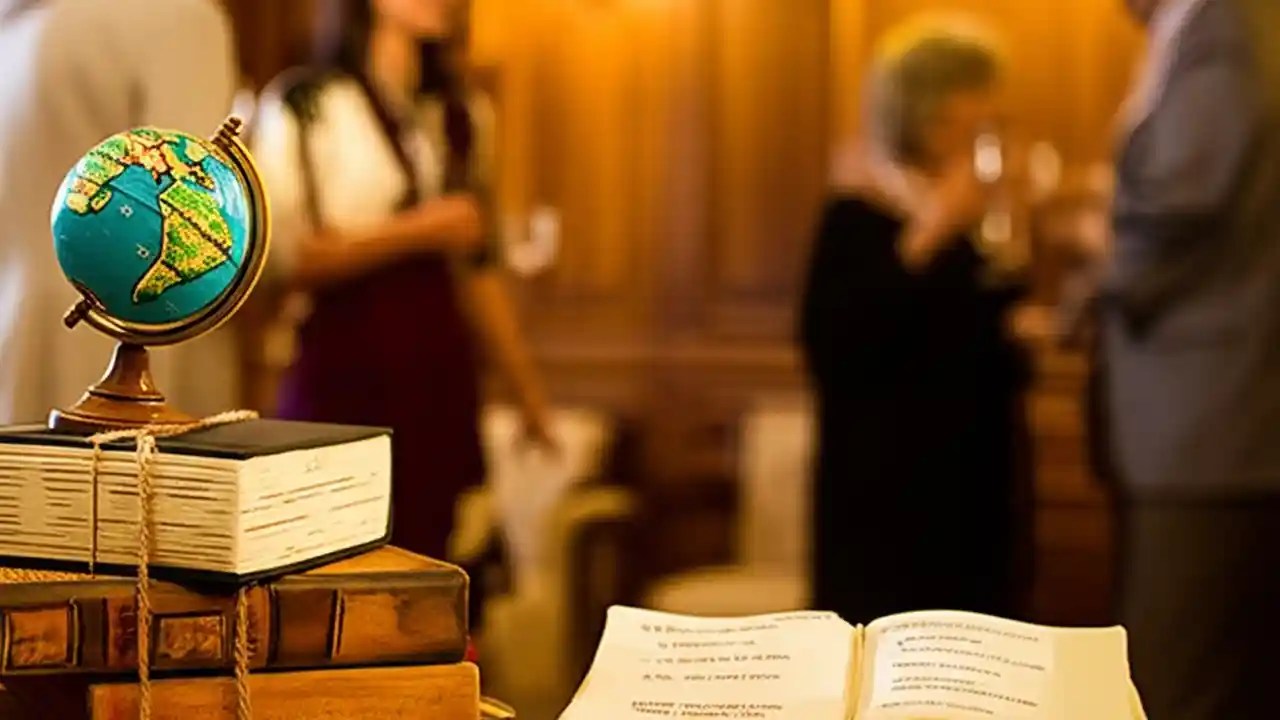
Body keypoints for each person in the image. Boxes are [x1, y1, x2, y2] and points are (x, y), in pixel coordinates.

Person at [250, 0, 554, 628]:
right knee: (327, 582)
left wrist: (529, 397)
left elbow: (478, 268)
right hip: (344, 368)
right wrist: (423, 228)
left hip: (437, 371)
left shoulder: (464, 113)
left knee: (436, 580)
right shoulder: (305, 105)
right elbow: (292, 258)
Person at [799, 19, 1032, 625]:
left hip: (972, 496)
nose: (990, 119)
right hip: (884, 505)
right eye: (974, 103)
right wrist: (929, 233)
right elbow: (834, 344)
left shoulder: (973, 227)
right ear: (929, 112)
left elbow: (989, 350)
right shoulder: (858, 213)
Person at [1102, 0, 1280, 716]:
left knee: (1170, 694)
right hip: (1220, 429)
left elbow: (1180, 209)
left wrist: (1101, 280)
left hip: (1209, 435)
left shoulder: (1223, 26)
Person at [0, 0, 239, 424]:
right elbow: (203, 202)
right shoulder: (179, 19)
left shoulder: (15, 27)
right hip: (126, 364)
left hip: (13, 345)